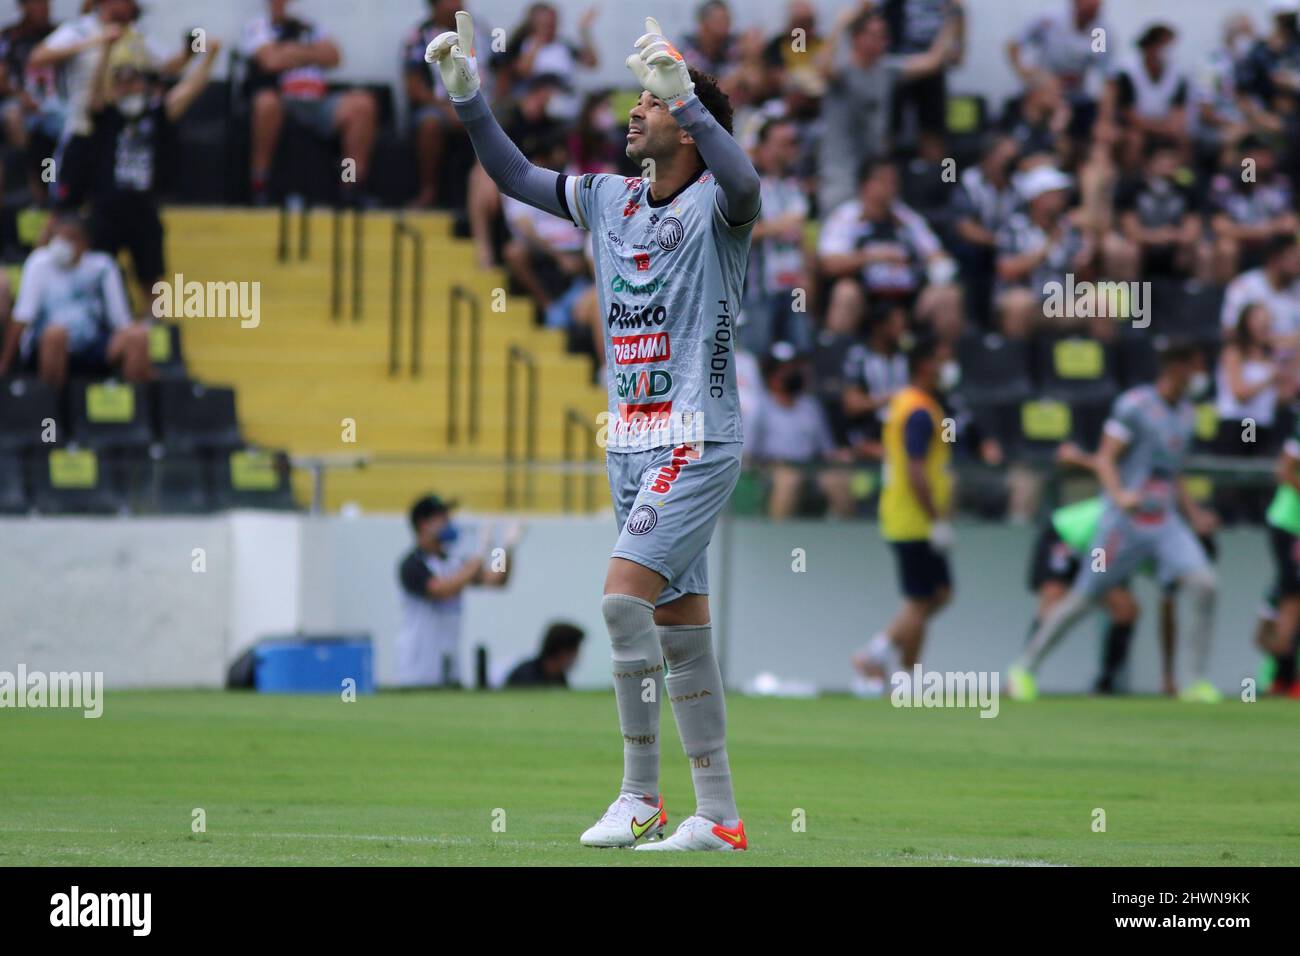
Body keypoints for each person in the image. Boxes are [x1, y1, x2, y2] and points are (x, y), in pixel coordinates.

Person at [428, 10, 759, 851]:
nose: (632, 113)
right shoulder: (609, 199)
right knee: (682, 634)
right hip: (630, 442)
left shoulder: (720, 207)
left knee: (620, 604)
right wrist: (469, 95)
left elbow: (749, 183)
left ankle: (638, 794)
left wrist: (689, 100)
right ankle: (718, 816)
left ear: (683, 124)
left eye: (648, 104)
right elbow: (512, 177)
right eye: (640, 102)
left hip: (697, 434)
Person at [1009, 341, 1222, 703]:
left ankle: (1193, 681)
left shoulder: (1187, 414)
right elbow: (1106, 458)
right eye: (1194, 366)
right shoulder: (1134, 406)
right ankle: (1024, 667)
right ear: (1174, 367)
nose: (1198, 375)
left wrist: (1194, 512)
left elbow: (1175, 472)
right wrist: (1120, 496)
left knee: (1204, 584)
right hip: (1123, 524)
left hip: (1165, 522)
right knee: (1083, 598)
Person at [85, 30, 221, 310]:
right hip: (105, 208)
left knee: (152, 280)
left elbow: (189, 90)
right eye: (120, 82)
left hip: (143, 208)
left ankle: (155, 333)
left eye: (133, 81)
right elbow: (96, 92)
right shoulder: (106, 116)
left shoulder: (158, 114)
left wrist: (210, 57)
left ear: (145, 85)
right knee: (97, 273)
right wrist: (106, 50)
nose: (127, 88)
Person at [851, 336, 954, 696]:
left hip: (904, 514)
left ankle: (901, 670)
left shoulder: (904, 403)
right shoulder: (920, 411)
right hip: (914, 519)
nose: (948, 369)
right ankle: (878, 658)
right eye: (942, 361)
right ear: (926, 366)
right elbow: (915, 468)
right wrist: (936, 518)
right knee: (920, 598)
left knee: (937, 593)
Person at [814, 3, 957, 215]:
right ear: (856, 38)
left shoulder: (887, 70)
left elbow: (932, 62)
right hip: (841, 178)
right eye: (874, 35)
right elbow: (821, 66)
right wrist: (842, 22)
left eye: (883, 35)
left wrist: (952, 19)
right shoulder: (843, 73)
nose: (881, 41)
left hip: (875, 178)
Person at [241, 0, 378, 205]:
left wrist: (289, 50)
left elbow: (334, 56)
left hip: (318, 101)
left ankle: (351, 186)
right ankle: (260, 185)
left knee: (363, 105)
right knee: (266, 103)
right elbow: (271, 61)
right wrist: (312, 54)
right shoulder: (259, 26)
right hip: (282, 99)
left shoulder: (312, 27)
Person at [395, 495, 518, 688]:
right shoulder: (412, 564)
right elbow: (443, 589)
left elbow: (497, 579)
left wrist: (505, 548)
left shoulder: (454, 562)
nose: (448, 523)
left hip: (450, 659)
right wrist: (480, 553)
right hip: (420, 664)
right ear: (423, 524)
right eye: (441, 518)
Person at [0, 0, 59, 202]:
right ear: (24, 6)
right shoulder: (10, 36)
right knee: (14, 117)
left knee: (53, 141)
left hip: (54, 105)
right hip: (18, 102)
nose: (42, 8)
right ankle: (26, 177)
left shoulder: (58, 34)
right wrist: (20, 96)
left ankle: (53, 190)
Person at [505, 621, 585, 688]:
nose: (577, 657)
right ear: (563, 652)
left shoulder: (559, 678)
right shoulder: (525, 677)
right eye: (575, 651)